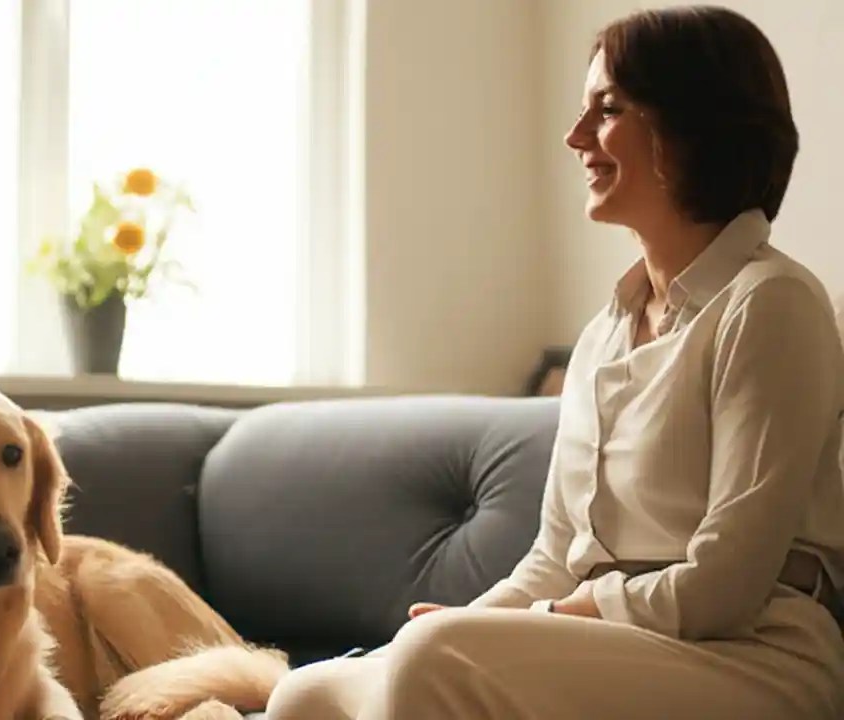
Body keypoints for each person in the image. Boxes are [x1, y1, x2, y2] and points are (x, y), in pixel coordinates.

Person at [266, 6, 844, 719]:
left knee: (433, 659)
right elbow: (553, 555)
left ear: (693, 124)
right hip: (607, 638)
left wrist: (555, 614)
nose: (575, 139)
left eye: (607, 110)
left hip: (752, 653)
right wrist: (465, 619)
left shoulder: (772, 304)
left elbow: (725, 585)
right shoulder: (605, 334)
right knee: (306, 692)